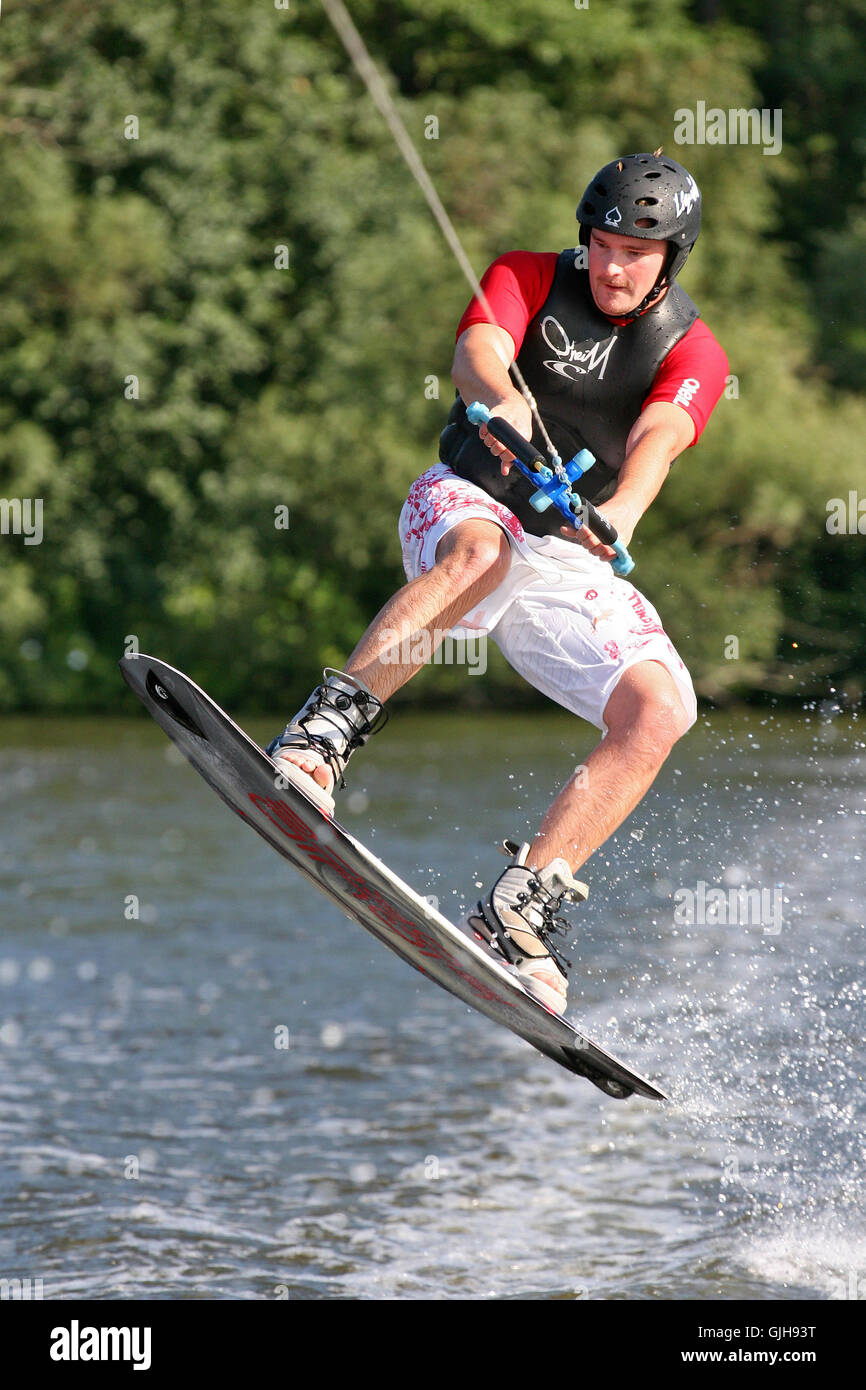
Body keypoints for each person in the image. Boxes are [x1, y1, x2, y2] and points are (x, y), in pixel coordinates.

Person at [266, 151, 728, 1016]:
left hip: (562, 551)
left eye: (636, 250)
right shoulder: (525, 273)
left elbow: (662, 437)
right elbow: (478, 351)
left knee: (662, 707)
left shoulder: (693, 347)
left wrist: (620, 514)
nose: (613, 265)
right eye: (601, 243)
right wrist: (505, 403)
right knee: (489, 554)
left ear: (673, 257)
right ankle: (321, 738)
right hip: (464, 504)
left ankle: (520, 908)